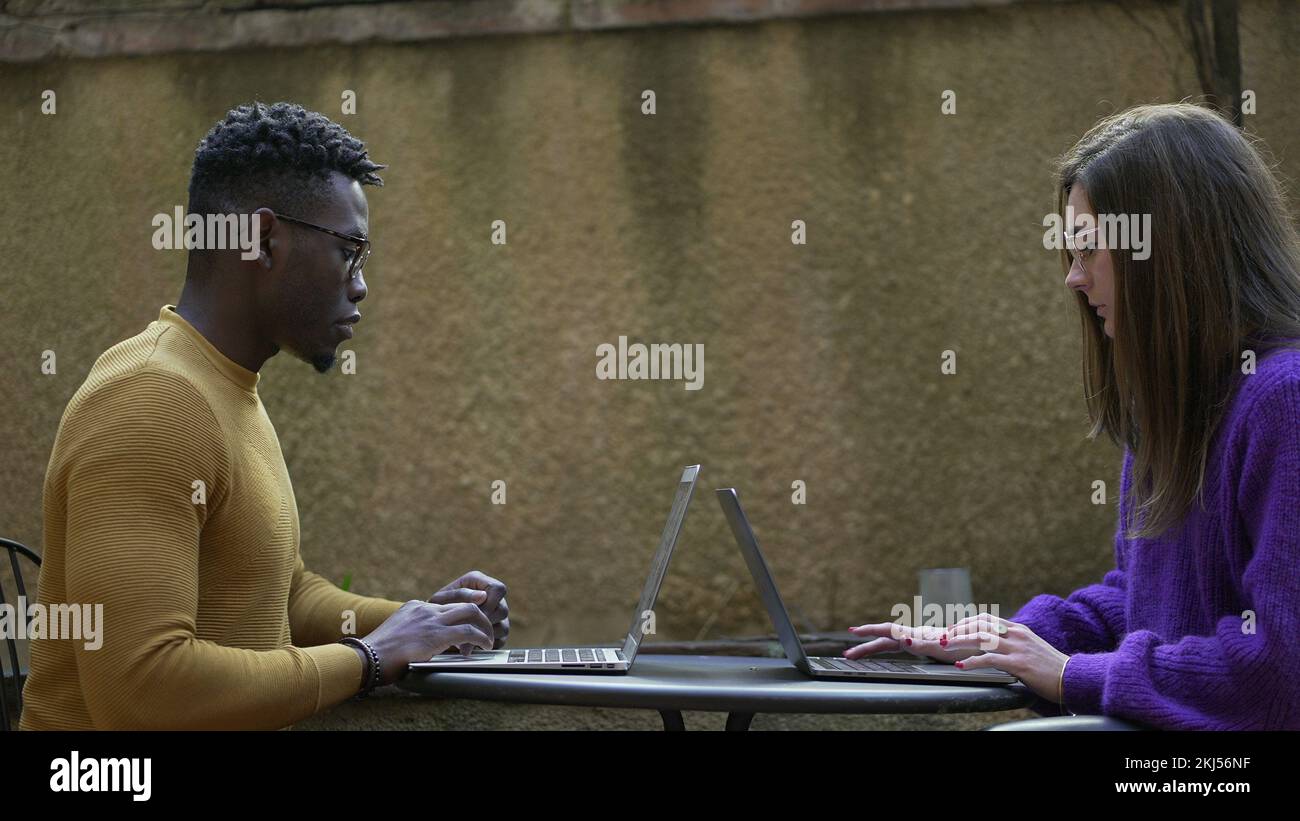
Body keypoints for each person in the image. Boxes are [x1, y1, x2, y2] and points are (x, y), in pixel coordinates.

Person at [20, 102, 508, 730]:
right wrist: (370, 657)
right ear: (264, 239)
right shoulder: (151, 399)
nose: (360, 285)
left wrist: (425, 623)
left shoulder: (224, 386)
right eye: (349, 251)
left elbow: (284, 593)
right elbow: (141, 689)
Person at [847, 103, 1300, 730]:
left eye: (1088, 250)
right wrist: (1006, 641)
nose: (1073, 279)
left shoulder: (1284, 400)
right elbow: (1141, 604)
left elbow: (1279, 671)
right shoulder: (1170, 411)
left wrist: (1069, 676)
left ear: (1171, 251)